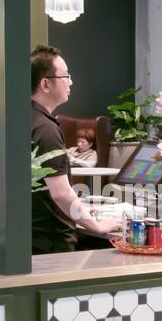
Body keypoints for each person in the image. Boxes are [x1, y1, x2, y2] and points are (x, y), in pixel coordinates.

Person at [29, 45, 119, 254]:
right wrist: (96, 225)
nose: (71, 82)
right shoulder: (46, 129)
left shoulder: (25, 119)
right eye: (66, 76)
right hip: (50, 244)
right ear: (45, 84)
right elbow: (60, 193)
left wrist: (83, 210)